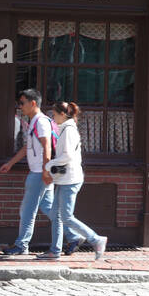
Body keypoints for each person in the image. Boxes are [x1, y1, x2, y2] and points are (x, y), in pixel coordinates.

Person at [39, 101, 108, 261]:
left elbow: (67, 156)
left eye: (54, 114)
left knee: (66, 216)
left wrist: (49, 164)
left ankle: (96, 239)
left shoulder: (68, 130)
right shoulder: (66, 129)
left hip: (70, 179)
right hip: (65, 179)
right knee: (57, 215)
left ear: (62, 114)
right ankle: (54, 251)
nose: (53, 118)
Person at [0, 88, 54, 255]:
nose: (20, 107)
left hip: (38, 173)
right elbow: (27, 148)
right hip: (39, 172)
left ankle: (21, 245)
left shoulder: (40, 122)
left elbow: (47, 146)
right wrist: (10, 163)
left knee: (28, 210)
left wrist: (45, 171)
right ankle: (77, 236)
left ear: (33, 103)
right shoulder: (35, 122)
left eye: (22, 103)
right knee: (49, 208)